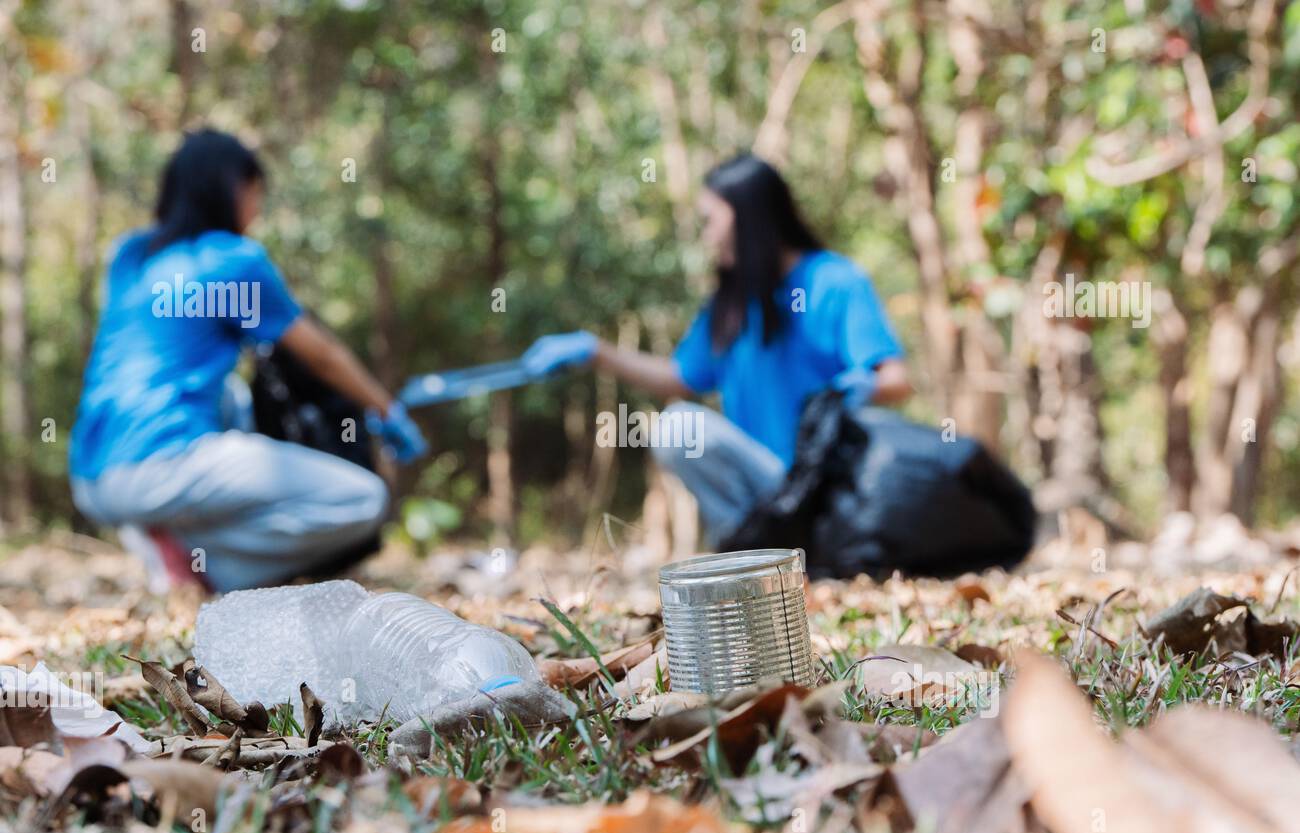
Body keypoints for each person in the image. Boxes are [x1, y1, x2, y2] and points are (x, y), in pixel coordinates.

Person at [69, 129, 427, 593]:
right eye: (255, 194)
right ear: (232, 189)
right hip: (161, 467)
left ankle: (169, 539)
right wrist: (386, 408)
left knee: (232, 393)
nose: (256, 210)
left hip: (91, 478)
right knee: (362, 499)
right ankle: (202, 564)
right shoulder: (234, 260)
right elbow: (321, 356)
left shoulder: (129, 255)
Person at [521, 153, 911, 544]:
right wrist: (596, 352)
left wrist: (853, 388)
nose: (707, 236)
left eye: (712, 221)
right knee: (678, 428)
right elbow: (680, 377)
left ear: (750, 217)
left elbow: (896, 380)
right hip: (765, 483)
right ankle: (747, 555)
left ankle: (789, 553)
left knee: (677, 427)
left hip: (823, 483)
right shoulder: (733, 303)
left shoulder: (837, 280)